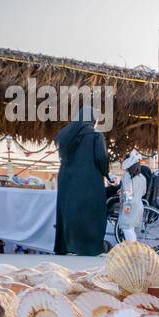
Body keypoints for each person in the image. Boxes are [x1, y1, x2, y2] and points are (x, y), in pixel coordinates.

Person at [53, 102, 109, 256]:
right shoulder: (96, 136)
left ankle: (65, 246)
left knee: (68, 210)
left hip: (66, 179)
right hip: (89, 179)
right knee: (90, 211)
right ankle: (88, 247)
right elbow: (101, 157)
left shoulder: (64, 134)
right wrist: (107, 173)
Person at [117, 150, 148, 243]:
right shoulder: (142, 177)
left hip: (129, 206)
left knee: (126, 228)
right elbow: (143, 192)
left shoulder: (127, 176)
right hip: (138, 205)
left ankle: (133, 249)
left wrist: (126, 206)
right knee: (131, 229)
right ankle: (134, 249)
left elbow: (128, 194)